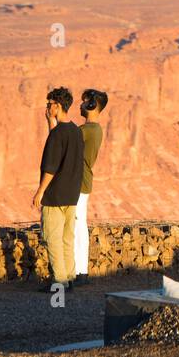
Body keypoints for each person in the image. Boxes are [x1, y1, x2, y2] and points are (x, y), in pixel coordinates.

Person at [34, 87, 84, 292]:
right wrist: (50, 124)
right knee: (67, 237)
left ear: (58, 106)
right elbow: (58, 145)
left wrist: (40, 192)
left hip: (54, 196)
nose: (47, 107)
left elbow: (50, 166)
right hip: (72, 194)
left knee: (52, 238)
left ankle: (59, 282)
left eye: (49, 104)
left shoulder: (57, 135)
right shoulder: (75, 131)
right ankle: (69, 276)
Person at [72, 88, 107, 286]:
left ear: (92, 105)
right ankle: (80, 270)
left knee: (77, 226)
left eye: (84, 101)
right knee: (80, 225)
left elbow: (65, 140)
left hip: (79, 182)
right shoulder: (94, 129)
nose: (81, 104)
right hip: (82, 181)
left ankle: (79, 271)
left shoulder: (87, 130)